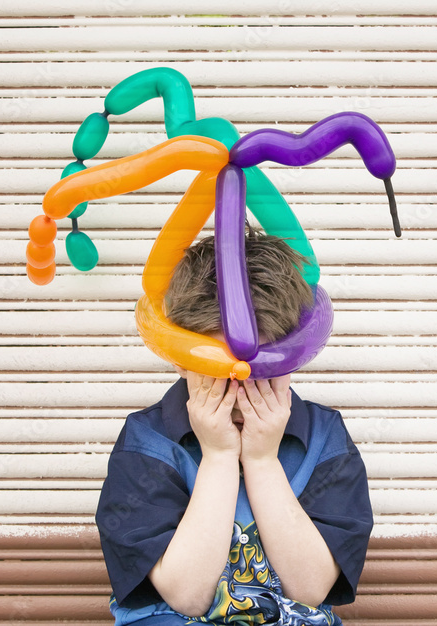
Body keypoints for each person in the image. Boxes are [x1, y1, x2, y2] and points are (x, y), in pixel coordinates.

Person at [95, 228, 373, 625]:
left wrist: (262, 460)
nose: (241, 393)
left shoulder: (325, 437)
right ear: (181, 360)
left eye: (263, 373)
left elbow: (311, 590)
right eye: (218, 372)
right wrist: (219, 455)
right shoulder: (146, 441)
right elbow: (187, 596)